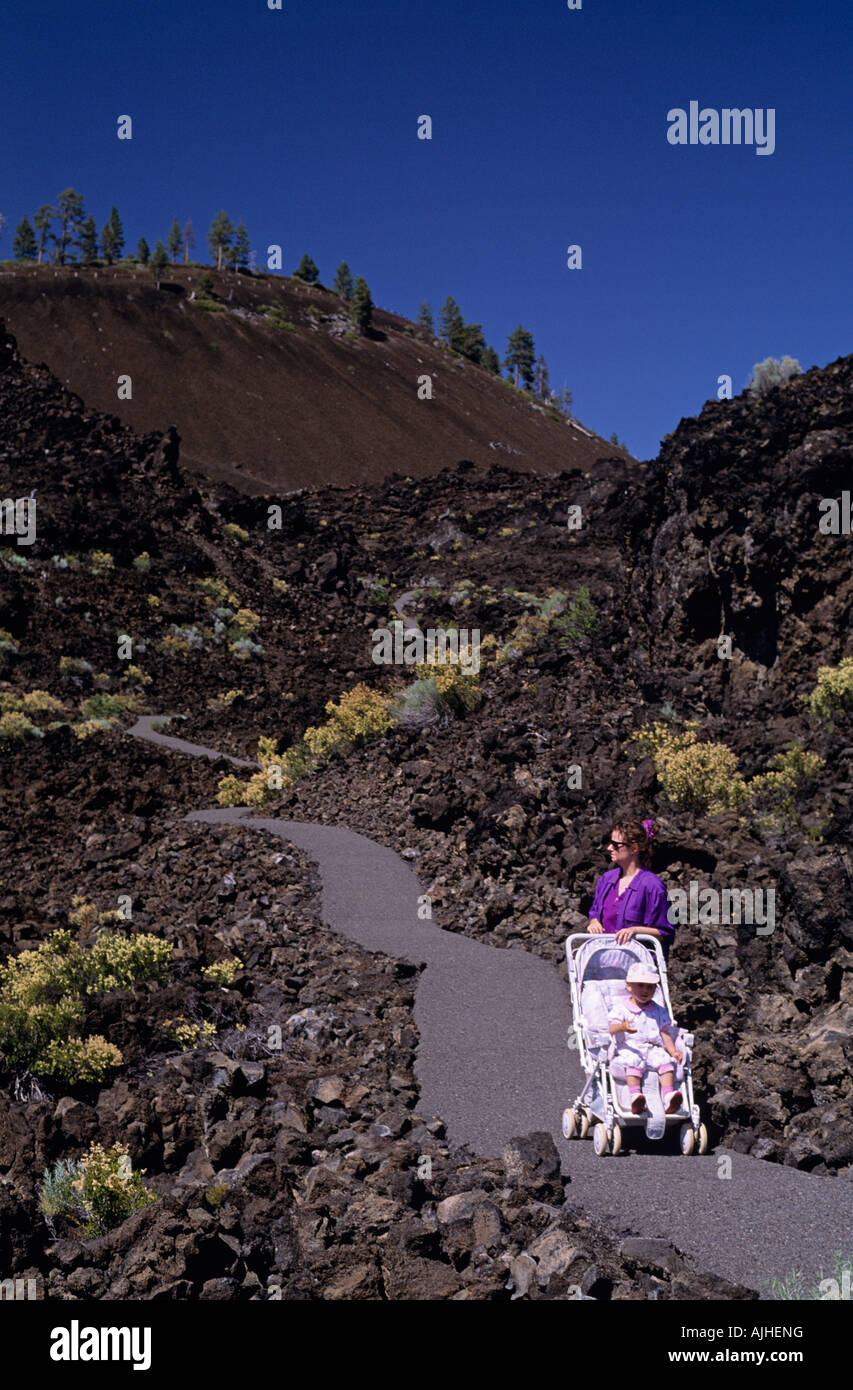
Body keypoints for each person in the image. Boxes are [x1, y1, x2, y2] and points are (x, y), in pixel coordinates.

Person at [587, 814, 674, 958]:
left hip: (637, 969)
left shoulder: (652, 886)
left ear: (634, 849)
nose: (609, 848)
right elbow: (595, 912)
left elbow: (665, 932)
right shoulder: (606, 879)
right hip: (604, 965)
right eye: (610, 843)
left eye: (616, 845)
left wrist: (635, 930)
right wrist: (594, 922)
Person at [608, 962, 683, 1114]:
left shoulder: (659, 1011)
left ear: (655, 989)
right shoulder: (621, 1008)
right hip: (631, 1046)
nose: (645, 990)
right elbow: (611, 1028)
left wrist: (673, 1051)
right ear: (629, 987)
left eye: (650, 987)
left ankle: (668, 1095)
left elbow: (665, 1033)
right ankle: (635, 1096)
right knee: (632, 1061)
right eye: (640, 985)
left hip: (652, 1047)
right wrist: (622, 1027)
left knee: (665, 1059)